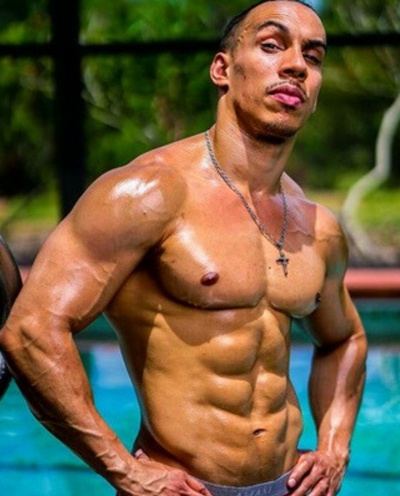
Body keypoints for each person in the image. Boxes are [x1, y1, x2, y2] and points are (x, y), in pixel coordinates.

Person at [0, 1, 367, 495]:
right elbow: (31, 331)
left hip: (289, 486)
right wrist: (125, 471)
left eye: (313, 56)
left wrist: (334, 450)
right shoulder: (148, 194)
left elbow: (345, 339)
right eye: (272, 45)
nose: (296, 65)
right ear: (222, 70)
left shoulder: (317, 226)